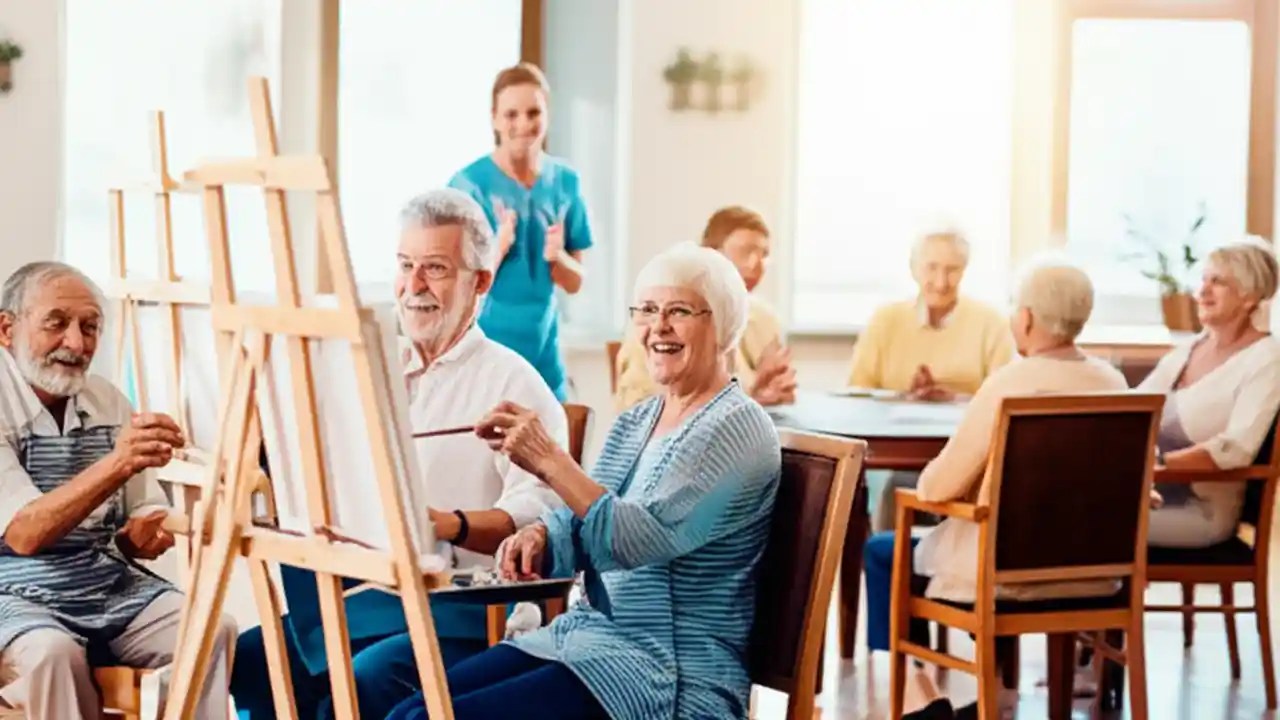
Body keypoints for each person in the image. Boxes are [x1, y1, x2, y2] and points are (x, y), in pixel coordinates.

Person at [384, 244, 782, 720]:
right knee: (408, 711)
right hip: (587, 642)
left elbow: (636, 539)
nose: (658, 327)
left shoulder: (738, 428)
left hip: (669, 675)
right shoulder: (637, 421)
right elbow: (582, 522)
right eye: (647, 310)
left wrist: (551, 460)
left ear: (724, 324)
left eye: (678, 311)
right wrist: (539, 536)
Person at [229, 189, 567, 719]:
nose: (414, 287)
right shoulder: (369, 367)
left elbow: (540, 520)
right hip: (372, 596)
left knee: (367, 675)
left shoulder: (515, 384)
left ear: (480, 281)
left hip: (470, 613)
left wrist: (442, 524)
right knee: (253, 656)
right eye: (406, 265)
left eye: (435, 268)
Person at [858, 259, 1129, 720]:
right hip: (1093, 574)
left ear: (1025, 319)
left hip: (1005, 577)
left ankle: (914, 696)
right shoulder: (1113, 382)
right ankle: (997, 691)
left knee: (886, 551)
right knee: (1001, 541)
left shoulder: (1009, 384)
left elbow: (936, 486)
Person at [0, 262, 235, 720]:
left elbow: (138, 514)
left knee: (211, 632)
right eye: (57, 324)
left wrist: (146, 532)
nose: (76, 343)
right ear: (6, 329)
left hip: (98, 582)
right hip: (9, 591)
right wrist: (119, 462)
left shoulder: (106, 400)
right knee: (53, 655)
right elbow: (24, 534)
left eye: (90, 327)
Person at [850, 230, 1015, 532]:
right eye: (932, 268)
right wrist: (903, 397)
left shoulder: (991, 322)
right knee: (888, 485)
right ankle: (889, 563)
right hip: (894, 449)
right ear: (914, 269)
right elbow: (857, 390)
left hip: (966, 450)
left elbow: (1004, 396)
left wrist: (954, 398)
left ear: (964, 271)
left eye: (952, 270)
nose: (941, 281)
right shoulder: (886, 320)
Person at [448, 62, 593, 402]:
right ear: (494, 119)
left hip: (545, 361)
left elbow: (574, 282)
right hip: (486, 361)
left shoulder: (565, 183)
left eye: (533, 113)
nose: (523, 125)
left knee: (551, 449)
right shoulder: (469, 185)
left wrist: (556, 257)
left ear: (547, 116)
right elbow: (455, 288)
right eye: (511, 115)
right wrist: (497, 248)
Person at [1140, 239, 1280, 548]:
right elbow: (1133, 407)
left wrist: (1161, 464)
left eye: (1217, 282)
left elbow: (1237, 448)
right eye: (1203, 280)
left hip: (1199, 511)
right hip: (1147, 496)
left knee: (1084, 519)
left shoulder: (1266, 359)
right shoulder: (1191, 348)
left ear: (1250, 297)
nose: (1202, 291)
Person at [614, 205, 796, 409]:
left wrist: (774, 394)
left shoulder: (765, 320)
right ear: (710, 255)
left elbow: (776, 396)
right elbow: (640, 411)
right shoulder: (659, 320)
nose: (756, 264)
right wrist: (750, 398)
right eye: (745, 252)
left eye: (764, 254)